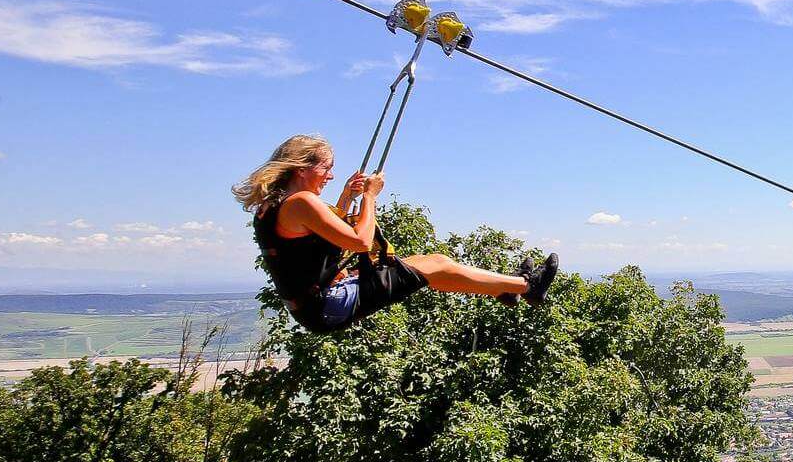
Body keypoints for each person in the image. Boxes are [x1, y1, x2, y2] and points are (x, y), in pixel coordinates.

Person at [233, 134, 558, 334]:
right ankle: (528, 287)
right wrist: (370, 196)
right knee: (435, 265)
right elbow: (359, 241)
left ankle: (504, 289)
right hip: (328, 305)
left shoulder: (273, 205)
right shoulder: (301, 202)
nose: (329, 176)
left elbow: (321, 239)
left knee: (429, 264)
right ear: (302, 169)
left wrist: (346, 197)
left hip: (316, 306)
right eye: (325, 168)